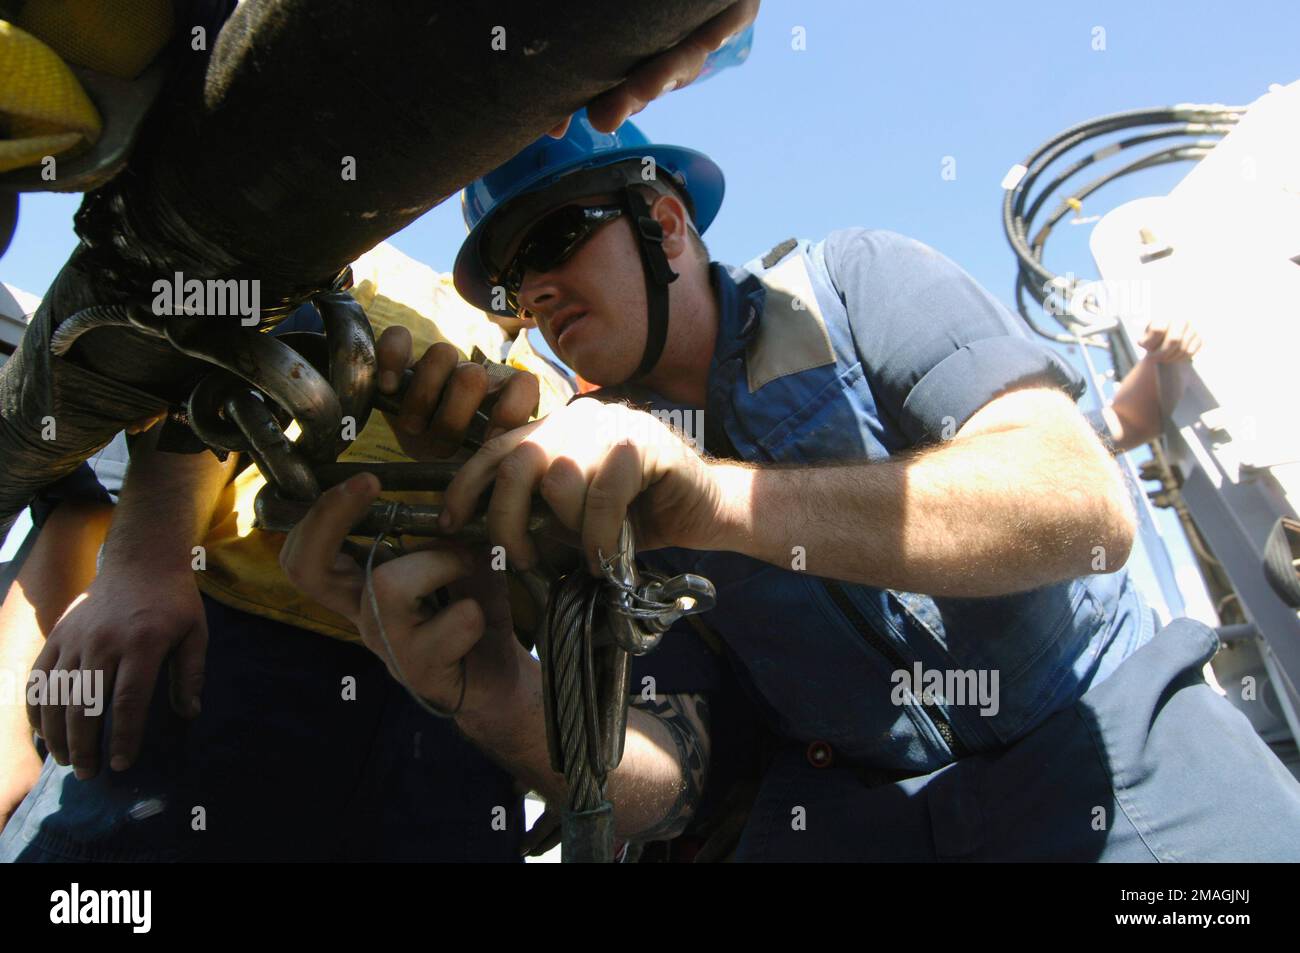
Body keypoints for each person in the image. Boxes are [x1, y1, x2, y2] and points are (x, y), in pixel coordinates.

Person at [281, 111, 1300, 861]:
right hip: (883, 823)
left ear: (667, 222)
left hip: (1125, 760)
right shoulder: (597, 475)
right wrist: (497, 696)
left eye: (551, 238)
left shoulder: (857, 284)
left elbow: (1079, 508)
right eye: (513, 283)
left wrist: (714, 504)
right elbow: (672, 775)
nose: (535, 292)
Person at [0, 244, 574, 862]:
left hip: (459, 720)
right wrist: (145, 561)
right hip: (232, 654)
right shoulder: (361, 258)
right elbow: (216, 375)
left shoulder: (566, 393)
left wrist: (548, 751)